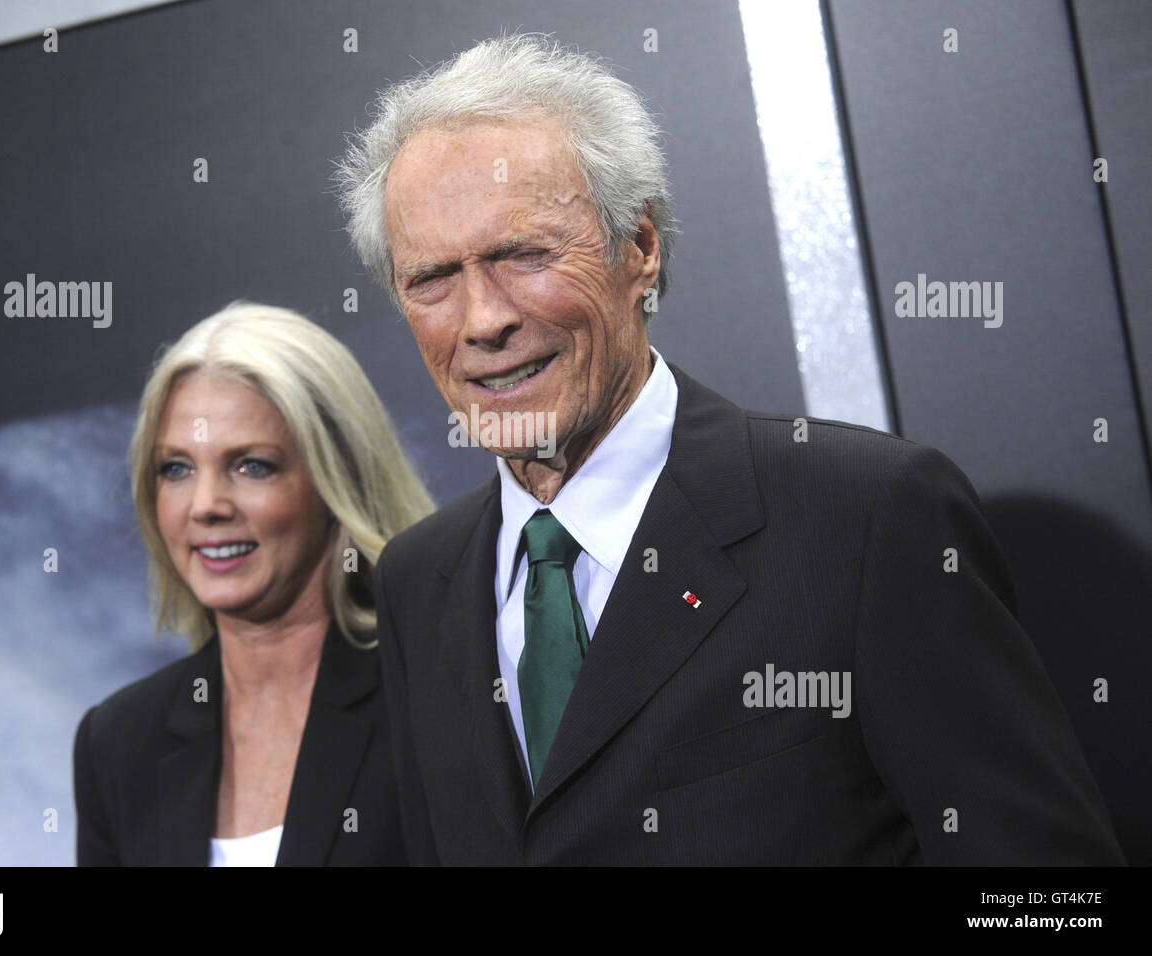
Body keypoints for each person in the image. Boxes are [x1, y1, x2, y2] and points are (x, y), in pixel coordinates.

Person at [332, 33, 1126, 864]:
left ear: (639, 250)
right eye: (431, 279)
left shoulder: (864, 516)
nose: (481, 319)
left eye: (523, 255)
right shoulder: (420, 580)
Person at [73, 302, 434, 865]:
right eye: (176, 468)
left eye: (252, 466)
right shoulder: (119, 742)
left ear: (334, 479)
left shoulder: (433, 698)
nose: (206, 506)